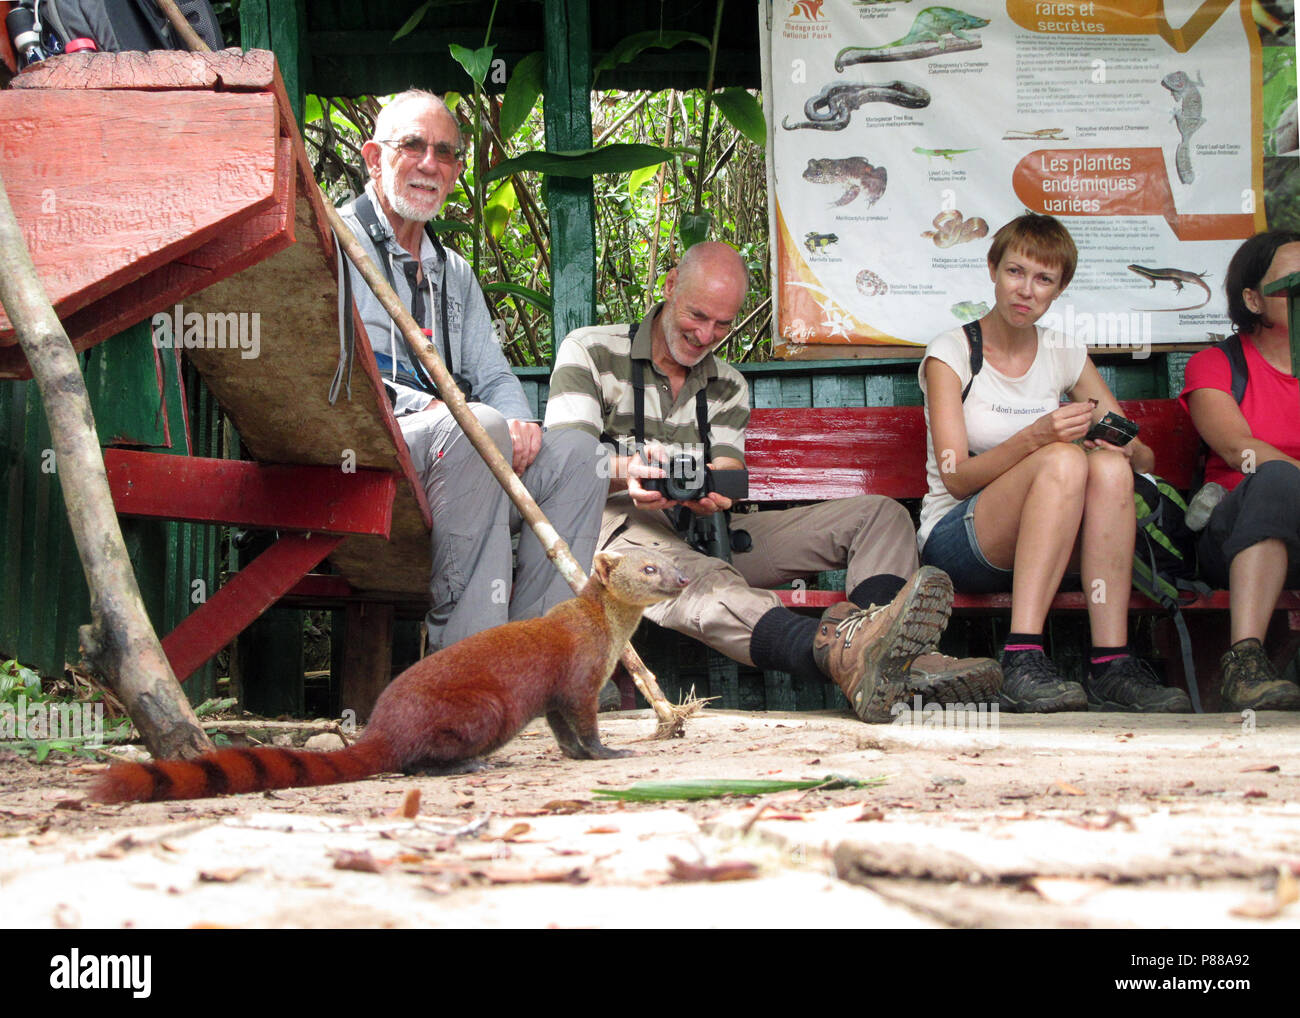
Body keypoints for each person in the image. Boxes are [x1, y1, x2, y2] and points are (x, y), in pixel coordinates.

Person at [543, 240, 1002, 723]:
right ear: (671, 284)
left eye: (723, 324)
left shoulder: (727, 385)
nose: (705, 336)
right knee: (697, 575)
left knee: (881, 516)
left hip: (704, 528)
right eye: (697, 316)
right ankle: (851, 655)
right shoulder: (591, 350)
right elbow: (563, 465)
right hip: (619, 528)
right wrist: (628, 469)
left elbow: (727, 472)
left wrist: (717, 490)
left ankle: (878, 648)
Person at [339, 89, 606, 651]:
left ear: (458, 170)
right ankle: (466, 669)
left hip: (453, 442)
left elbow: (492, 372)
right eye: (411, 146)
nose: (428, 164)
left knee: (578, 455)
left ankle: (540, 661)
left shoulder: (451, 270)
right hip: (367, 443)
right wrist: (438, 409)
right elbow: (331, 374)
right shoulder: (336, 241)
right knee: (476, 427)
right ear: (372, 156)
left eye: (444, 152)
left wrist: (518, 419)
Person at [918, 213, 1192, 714]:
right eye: (1015, 272)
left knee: (1107, 469)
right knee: (1063, 461)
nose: (1026, 290)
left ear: (1059, 288)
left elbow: (1143, 455)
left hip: (1050, 542)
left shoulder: (1064, 350)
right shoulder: (951, 352)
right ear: (992, 269)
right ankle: (1021, 657)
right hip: (961, 540)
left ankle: (1111, 662)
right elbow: (956, 479)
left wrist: (1119, 446)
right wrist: (1039, 437)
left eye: (1043, 279)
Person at [1180, 231, 1300, 711]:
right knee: (1273, 476)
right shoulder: (1218, 363)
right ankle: (1244, 662)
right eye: (1289, 283)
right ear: (1252, 299)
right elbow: (1237, 450)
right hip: (1232, 537)